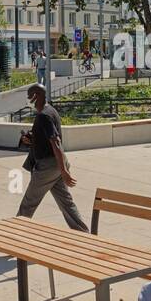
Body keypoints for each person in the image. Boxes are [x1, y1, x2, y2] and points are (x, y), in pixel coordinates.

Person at [16, 84, 88, 231]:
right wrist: (31, 138)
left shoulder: (44, 116)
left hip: (47, 167)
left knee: (28, 203)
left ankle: (16, 235)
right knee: (66, 204)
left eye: (30, 96)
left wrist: (64, 171)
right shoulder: (51, 111)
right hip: (56, 166)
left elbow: (55, 142)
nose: (29, 100)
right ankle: (84, 234)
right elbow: (49, 138)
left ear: (37, 95)